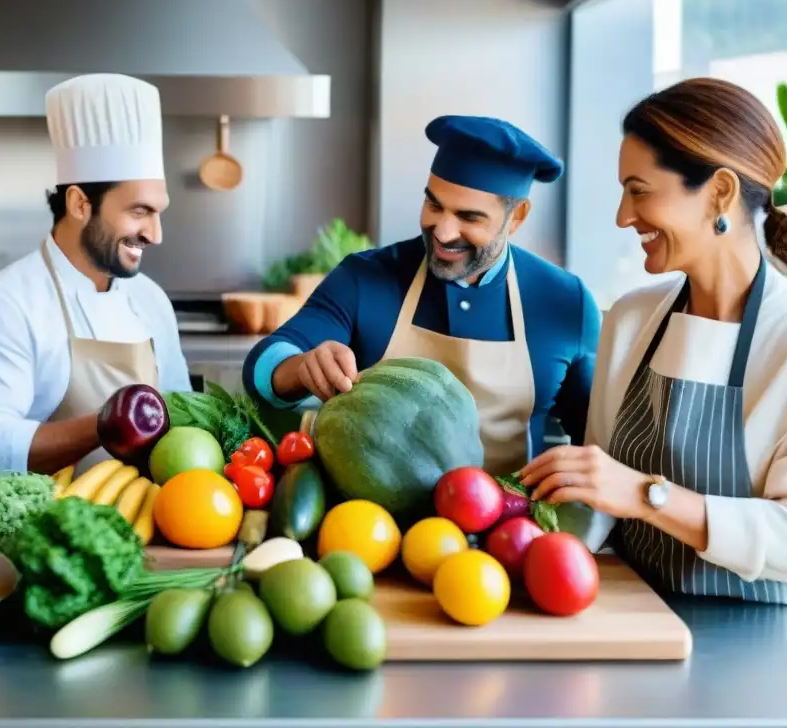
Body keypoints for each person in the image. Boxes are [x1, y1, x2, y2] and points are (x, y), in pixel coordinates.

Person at [519, 77, 787, 603]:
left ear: (720, 193)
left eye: (638, 191)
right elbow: (595, 500)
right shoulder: (631, 319)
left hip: (756, 648)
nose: (623, 216)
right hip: (630, 612)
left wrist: (648, 495)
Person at [243, 116, 602, 477]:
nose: (443, 233)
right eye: (434, 206)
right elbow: (262, 367)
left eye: (469, 218)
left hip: (509, 526)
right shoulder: (365, 277)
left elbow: (595, 436)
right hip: (369, 524)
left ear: (517, 217)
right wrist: (301, 367)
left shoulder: (567, 302)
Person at [0, 74, 190, 477]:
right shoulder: (0, 306)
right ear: (79, 203)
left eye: (158, 212)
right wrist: (105, 424)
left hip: (152, 522)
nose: (155, 234)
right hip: (47, 528)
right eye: (139, 211)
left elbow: (182, 413)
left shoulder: (151, 300)